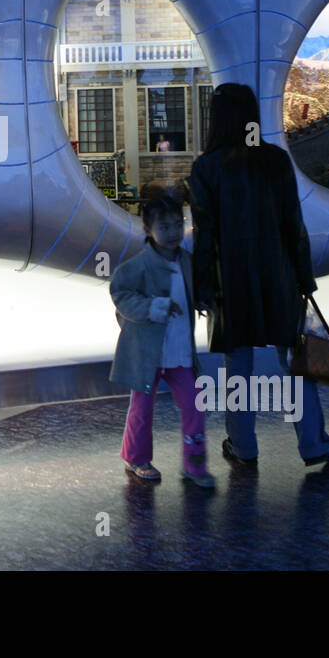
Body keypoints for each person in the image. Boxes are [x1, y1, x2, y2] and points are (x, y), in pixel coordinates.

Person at [187, 83, 329, 467]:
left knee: (237, 369)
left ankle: (243, 448)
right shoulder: (275, 160)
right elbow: (295, 225)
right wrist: (304, 278)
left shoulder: (206, 168)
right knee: (295, 363)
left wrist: (203, 287)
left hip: (232, 284)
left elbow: (205, 235)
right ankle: (314, 445)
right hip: (280, 278)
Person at [109, 188, 215, 488]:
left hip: (179, 352)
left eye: (177, 225)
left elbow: (190, 292)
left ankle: (195, 465)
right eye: (164, 227)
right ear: (148, 230)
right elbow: (120, 294)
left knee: (195, 405)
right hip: (147, 354)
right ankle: (136, 458)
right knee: (142, 408)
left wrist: (201, 302)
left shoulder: (187, 262)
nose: (173, 232)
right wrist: (153, 307)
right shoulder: (138, 266)